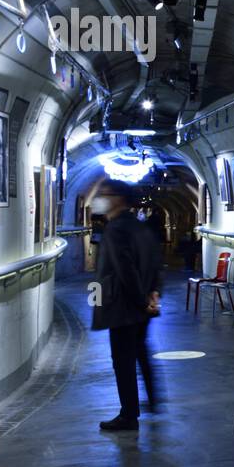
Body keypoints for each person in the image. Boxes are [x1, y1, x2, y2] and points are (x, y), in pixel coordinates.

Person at [90, 179, 163, 431]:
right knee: (140, 352)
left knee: (123, 360)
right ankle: (153, 400)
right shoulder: (141, 228)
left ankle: (128, 415)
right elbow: (154, 262)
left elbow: (125, 269)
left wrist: (141, 300)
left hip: (123, 305)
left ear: (118, 198)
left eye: (105, 194)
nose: (99, 198)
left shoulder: (115, 230)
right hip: (142, 305)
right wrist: (153, 294)